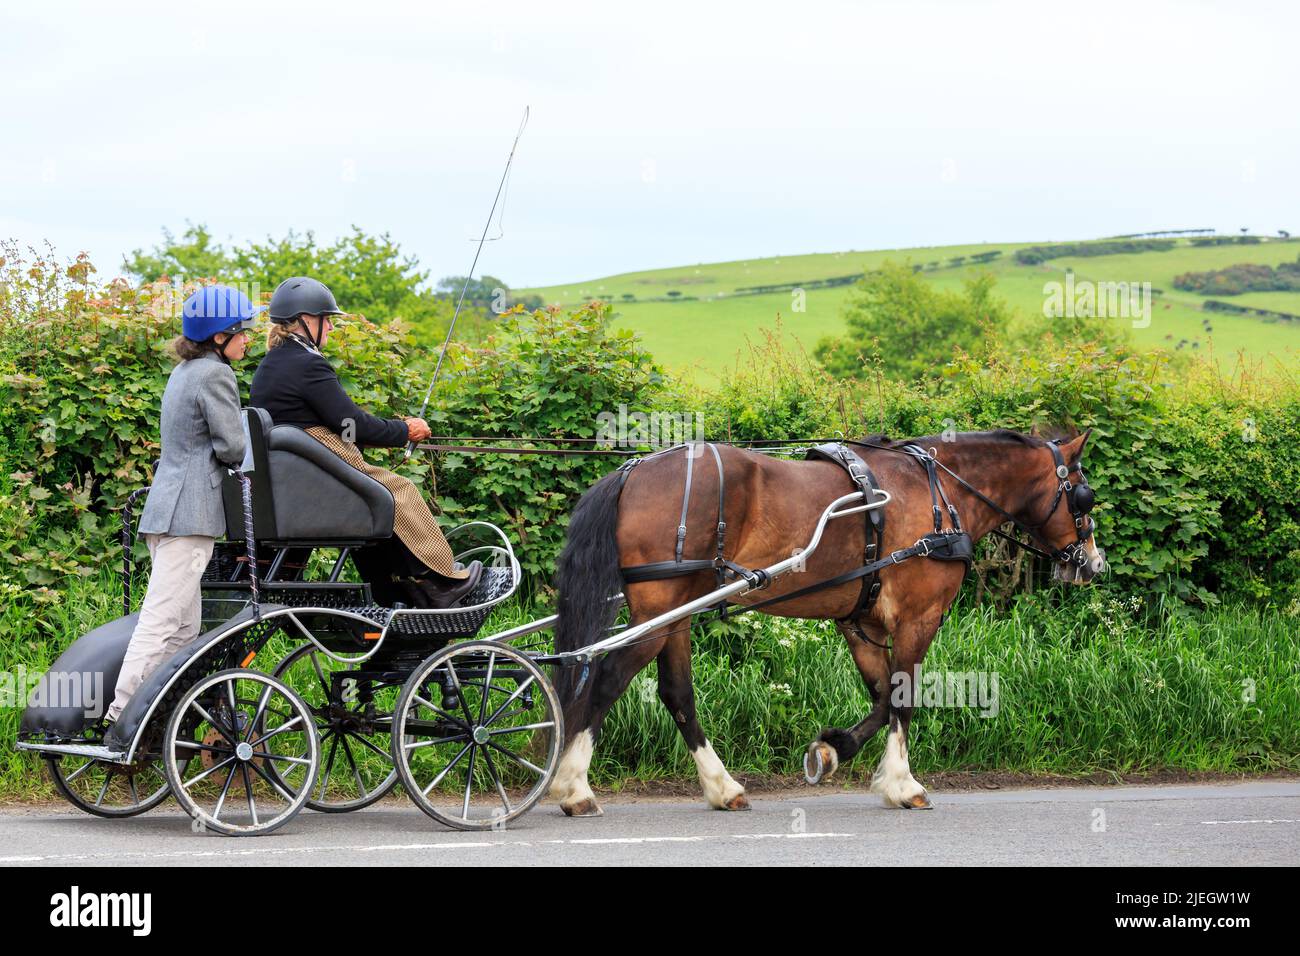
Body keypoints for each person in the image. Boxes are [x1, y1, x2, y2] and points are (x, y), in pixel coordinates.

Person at [249, 276, 482, 608]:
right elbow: (353, 425)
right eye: (326, 320)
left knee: (380, 497)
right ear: (306, 321)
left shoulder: (270, 364)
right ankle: (441, 581)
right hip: (315, 475)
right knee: (396, 490)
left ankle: (400, 592)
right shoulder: (308, 364)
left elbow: (334, 425)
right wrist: (405, 430)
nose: (330, 327)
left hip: (301, 474)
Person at [106, 286, 259, 731]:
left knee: (183, 631)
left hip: (166, 510)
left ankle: (161, 720)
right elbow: (232, 447)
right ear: (218, 337)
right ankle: (121, 717)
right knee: (162, 621)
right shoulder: (216, 376)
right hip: (190, 517)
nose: (247, 339)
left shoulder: (183, 372)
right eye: (241, 332)